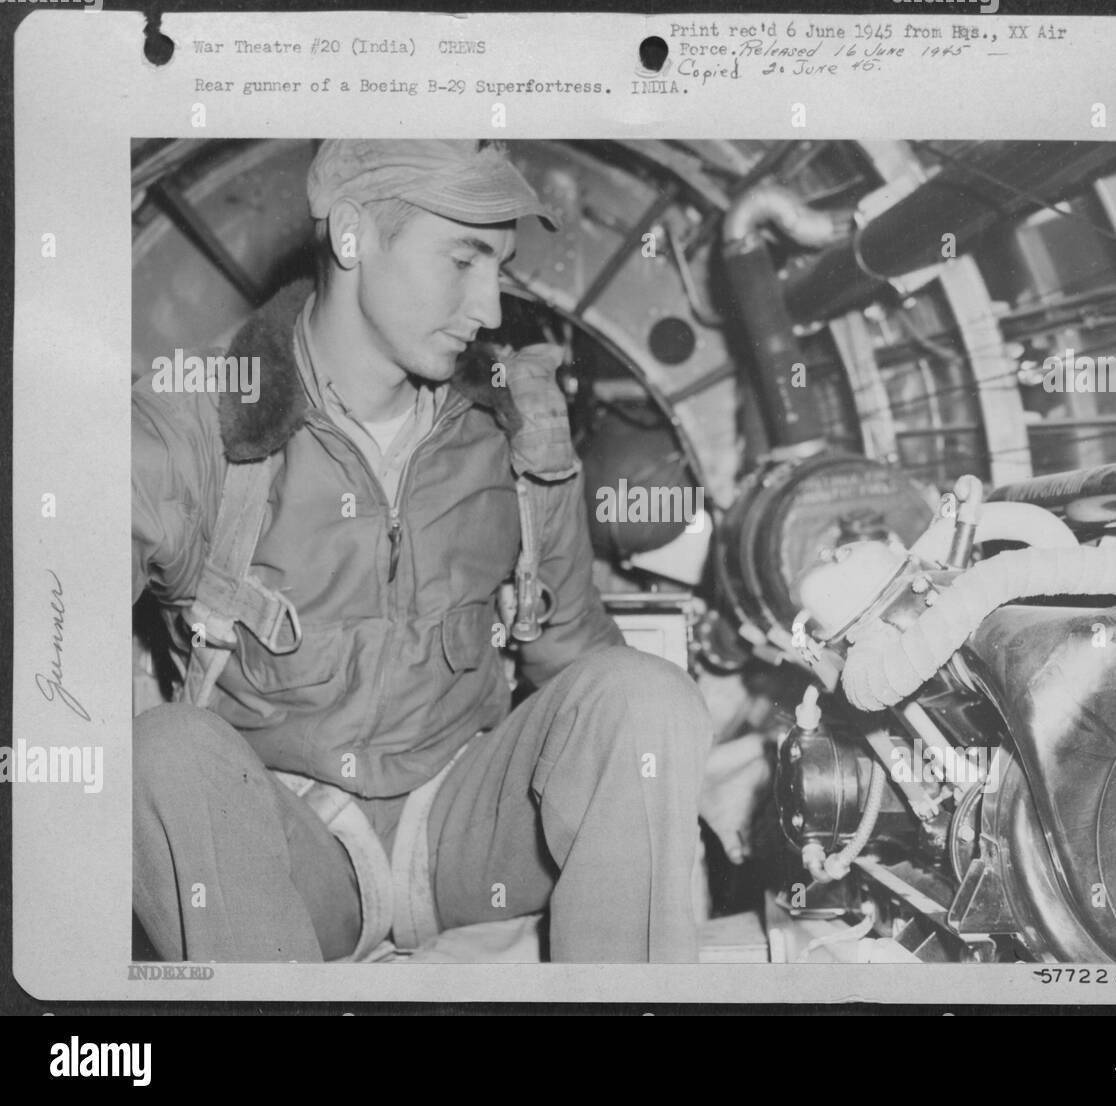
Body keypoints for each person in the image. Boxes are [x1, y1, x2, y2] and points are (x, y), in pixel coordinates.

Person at [132, 139, 713, 963]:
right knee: (162, 751)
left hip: (463, 834)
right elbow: (54, 639)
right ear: (353, 235)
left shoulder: (516, 426)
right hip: (294, 854)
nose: (489, 308)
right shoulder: (196, 419)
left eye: (500, 265)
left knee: (644, 700)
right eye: (463, 258)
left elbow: (578, 661)